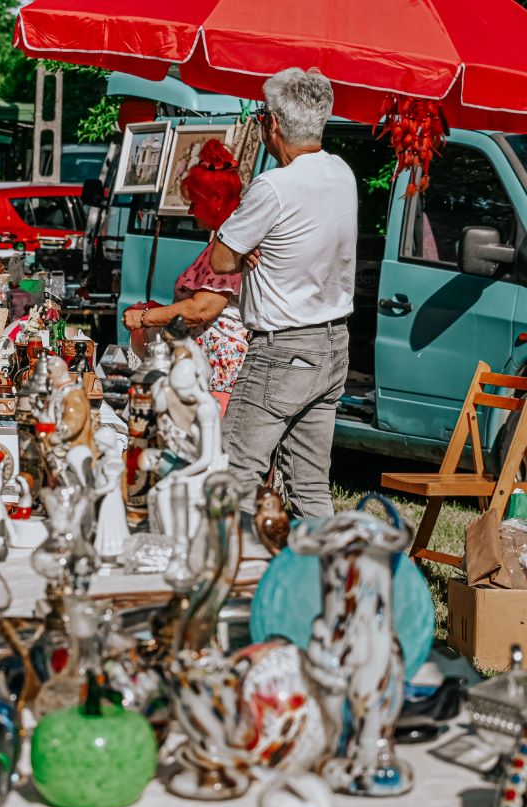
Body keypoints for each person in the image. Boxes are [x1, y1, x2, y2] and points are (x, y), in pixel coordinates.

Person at [209, 67, 357, 518]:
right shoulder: (342, 173)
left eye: (260, 116)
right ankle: (329, 562)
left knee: (235, 473)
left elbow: (220, 260)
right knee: (311, 486)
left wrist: (244, 244)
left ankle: (232, 561)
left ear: (273, 123)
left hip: (283, 348)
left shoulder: (273, 186)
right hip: (332, 343)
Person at [121, 139, 247, 413]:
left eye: (195, 203)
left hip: (218, 376)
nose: (190, 212)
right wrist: (158, 311)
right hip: (204, 372)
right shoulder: (223, 238)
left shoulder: (231, 243)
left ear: (216, 200)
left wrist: (145, 317)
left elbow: (202, 309)